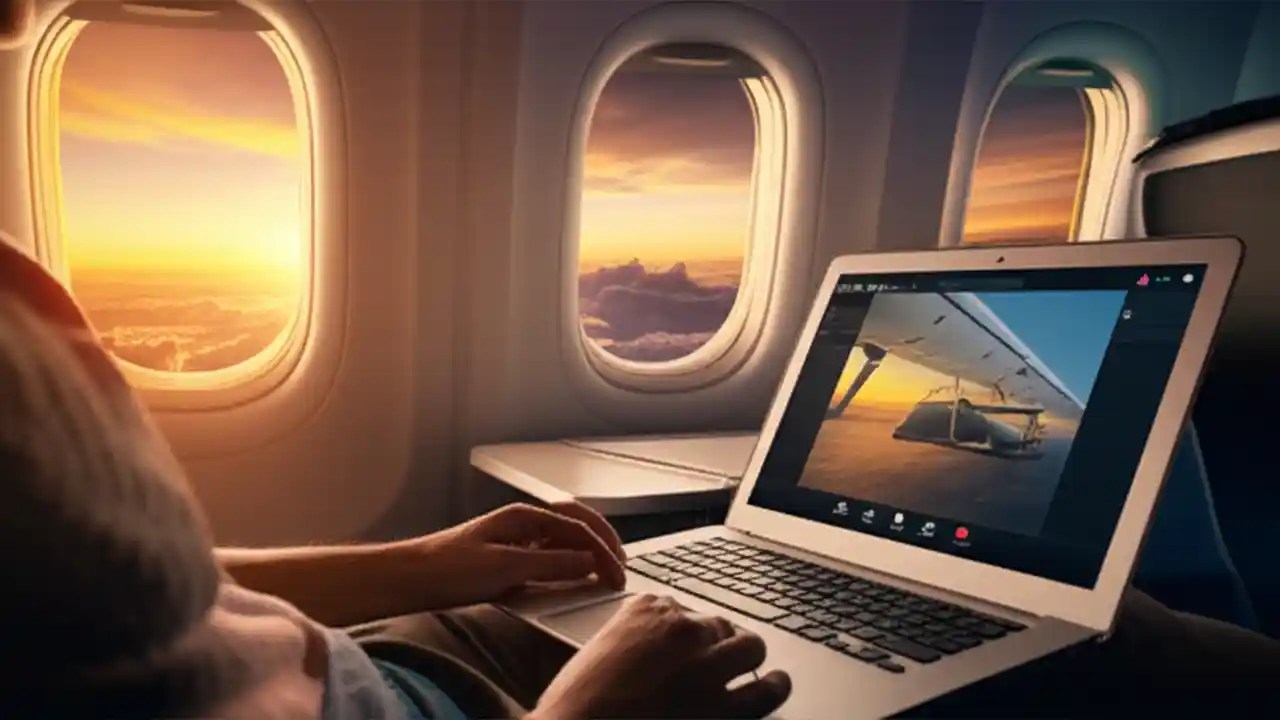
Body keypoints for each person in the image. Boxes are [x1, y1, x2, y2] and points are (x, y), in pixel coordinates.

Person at [1, 2, 1277, 717]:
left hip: (387, 671)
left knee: (1084, 624)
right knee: (1137, 649)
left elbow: (135, 603)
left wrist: (419, 562)